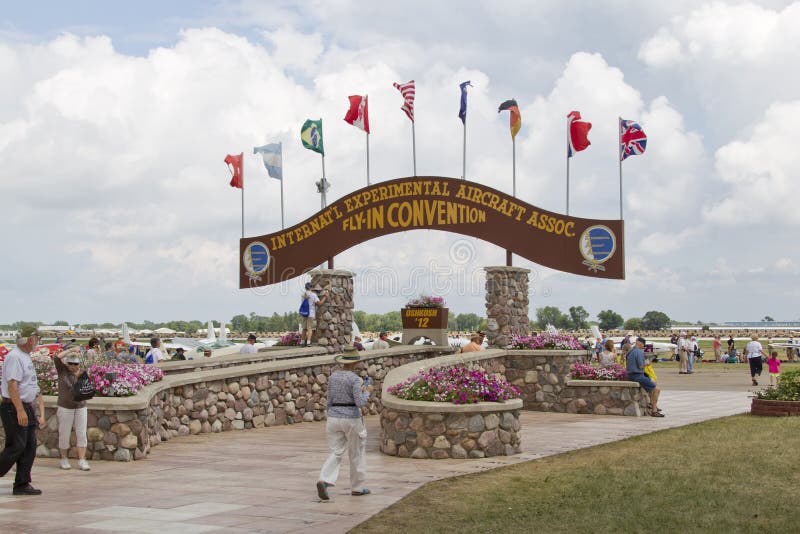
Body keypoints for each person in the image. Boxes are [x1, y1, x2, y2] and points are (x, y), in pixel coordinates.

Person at [316, 345, 372, 501]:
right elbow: (359, 402)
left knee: (336, 451)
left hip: (333, 417)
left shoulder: (333, 377)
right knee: (357, 453)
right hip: (351, 418)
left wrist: (330, 414)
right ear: (355, 362)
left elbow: (329, 399)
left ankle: (324, 479)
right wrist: (367, 391)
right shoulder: (355, 379)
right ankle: (357, 488)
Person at [0, 325, 46, 495]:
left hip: (27, 405)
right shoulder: (14, 357)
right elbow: (12, 385)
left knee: (29, 447)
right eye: (35, 338)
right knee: (16, 446)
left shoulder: (25, 356)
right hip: (14, 407)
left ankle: (22, 483)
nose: (37, 342)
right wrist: (20, 410)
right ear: (28, 339)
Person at [52, 348, 90, 471]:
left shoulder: (82, 372)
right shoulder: (62, 370)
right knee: (64, 432)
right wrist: (71, 350)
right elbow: (56, 358)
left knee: (81, 433)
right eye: (71, 363)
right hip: (65, 406)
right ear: (67, 363)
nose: (73, 366)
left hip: (80, 406)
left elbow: (87, 388)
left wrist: (78, 376)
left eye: (76, 363)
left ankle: (82, 459)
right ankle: (63, 458)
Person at [626, 337, 663, 417]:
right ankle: (654, 410)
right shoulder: (639, 352)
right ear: (641, 344)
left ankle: (652, 404)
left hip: (630, 375)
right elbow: (641, 366)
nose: (643, 347)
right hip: (638, 375)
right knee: (656, 390)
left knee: (652, 383)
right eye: (643, 345)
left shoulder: (630, 351)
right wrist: (647, 363)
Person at [300, 282, 328, 347]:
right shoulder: (313, 295)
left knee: (304, 328)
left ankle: (302, 342)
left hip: (304, 313)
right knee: (310, 328)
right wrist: (325, 297)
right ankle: (308, 342)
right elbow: (319, 303)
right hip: (310, 313)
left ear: (305, 287)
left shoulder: (302, 294)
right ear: (311, 288)